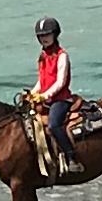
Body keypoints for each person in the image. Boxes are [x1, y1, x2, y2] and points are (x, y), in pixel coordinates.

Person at [22, 14, 77, 175]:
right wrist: (32, 94)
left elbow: (60, 82)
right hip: (46, 97)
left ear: (55, 34)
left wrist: (44, 96)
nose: (44, 39)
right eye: (41, 36)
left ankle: (71, 156)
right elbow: (42, 80)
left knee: (53, 125)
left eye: (47, 35)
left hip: (60, 99)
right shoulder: (43, 56)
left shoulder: (62, 56)